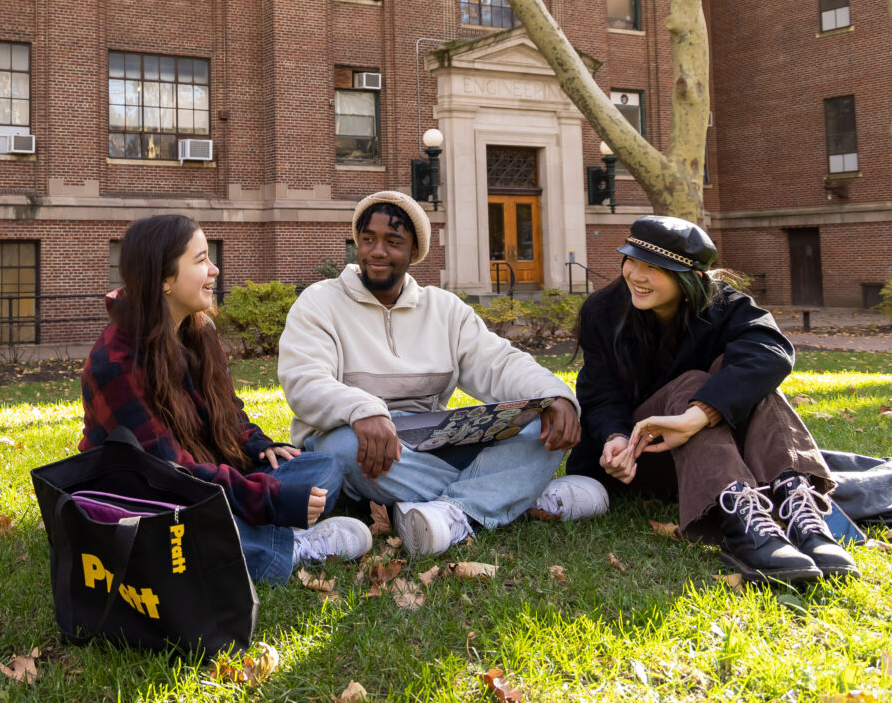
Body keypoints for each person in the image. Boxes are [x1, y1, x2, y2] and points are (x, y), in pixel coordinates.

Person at [278, 191, 595, 558]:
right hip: (364, 447)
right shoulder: (319, 302)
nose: (376, 251)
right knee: (339, 449)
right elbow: (304, 381)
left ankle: (452, 510)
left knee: (539, 424)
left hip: (435, 442)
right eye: (368, 240)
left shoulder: (444, 309)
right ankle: (514, 495)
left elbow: (498, 362)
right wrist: (362, 409)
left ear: (415, 252)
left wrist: (552, 394)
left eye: (393, 241)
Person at [80, 214, 373, 583]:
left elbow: (228, 412)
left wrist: (256, 444)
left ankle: (260, 531)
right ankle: (286, 548)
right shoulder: (115, 361)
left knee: (323, 469)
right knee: (188, 531)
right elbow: (169, 474)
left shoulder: (199, 329)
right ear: (165, 279)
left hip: (210, 476)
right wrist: (268, 497)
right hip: (150, 502)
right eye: (201, 260)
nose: (214, 270)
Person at [566, 215, 858, 585]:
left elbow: (772, 350)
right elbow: (599, 391)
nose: (636, 275)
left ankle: (799, 508)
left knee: (749, 372)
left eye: (655, 268)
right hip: (645, 457)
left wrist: (697, 416)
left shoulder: (726, 306)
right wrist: (615, 437)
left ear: (694, 279)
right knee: (692, 380)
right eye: (632, 259)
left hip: (708, 450)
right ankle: (743, 523)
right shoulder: (603, 310)